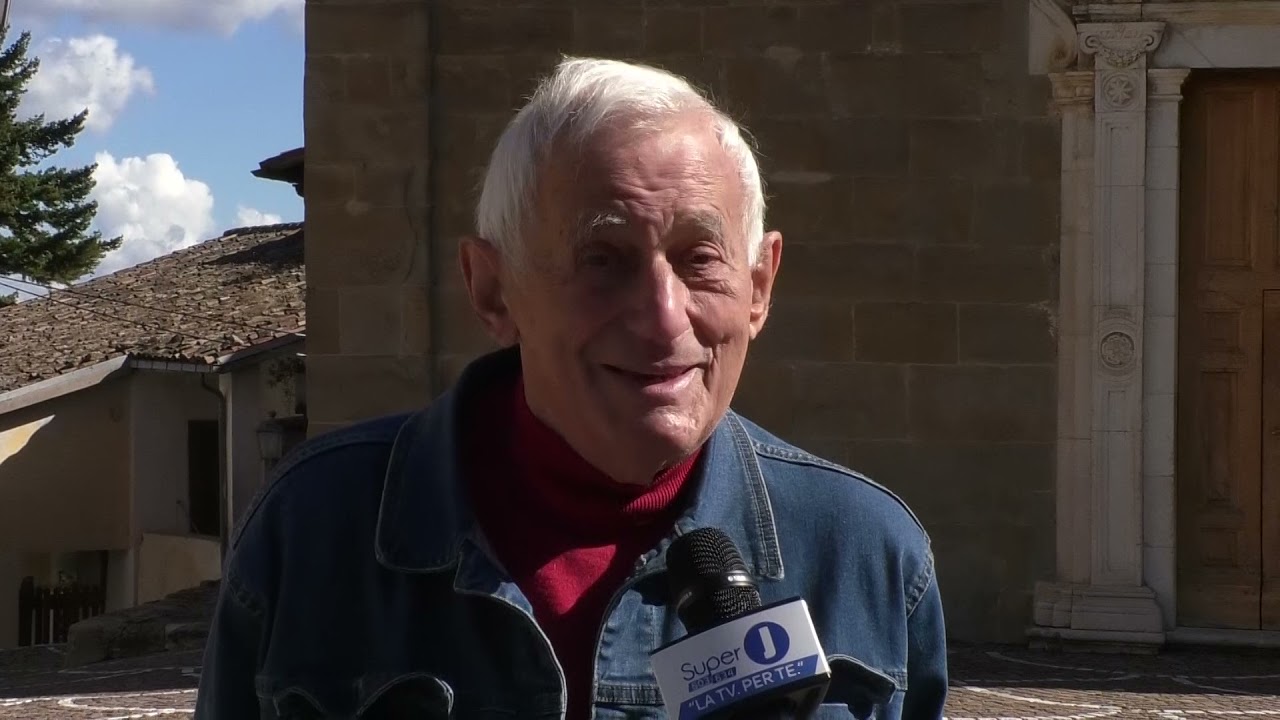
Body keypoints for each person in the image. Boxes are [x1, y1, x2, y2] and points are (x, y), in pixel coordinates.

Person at [194, 56, 947, 720]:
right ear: (492, 292)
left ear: (759, 287)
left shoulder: (867, 556)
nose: (662, 319)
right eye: (604, 258)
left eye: (700, 259)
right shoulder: (317, 533)